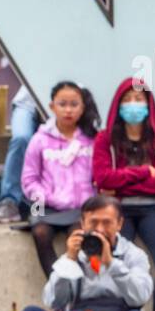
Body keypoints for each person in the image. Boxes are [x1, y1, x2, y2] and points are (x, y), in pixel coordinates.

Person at [20, 195, 152, 311]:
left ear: (119, 224)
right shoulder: (74, 254)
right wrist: (69, 261)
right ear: (82, 223)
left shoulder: (133, 255)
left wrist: (112, 264)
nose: (99, 229)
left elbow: (140, 297)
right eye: (93, 223)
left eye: (107, 223)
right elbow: (53, 301)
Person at [92, 79, 155, 311]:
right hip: (118, 209)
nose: (134, 106)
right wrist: (142, 173)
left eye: (140, 100)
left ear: (149, 104)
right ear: (118, 103)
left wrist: (123, 180)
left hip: (153, 208)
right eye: (128, 99)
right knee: (114, 262)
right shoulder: (105, 139)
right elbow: (102, 178)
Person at [21, 81, 100, 275]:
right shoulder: (39, 139)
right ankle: (57, 284)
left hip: (80, 208)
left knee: (78, 237)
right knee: (39, 231)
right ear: (51, 106)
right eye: (62, 104)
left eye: (74, 104)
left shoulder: (91, 140)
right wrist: (41, 201)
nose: (68, 110)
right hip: (45, 204)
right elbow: (29, 179)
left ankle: (81, 288)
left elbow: (98, 177)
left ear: (83, 107)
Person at [0, 86, 40, 222]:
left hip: (68, 204)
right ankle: (10, 201)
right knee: (21, 138)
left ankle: (39, 211)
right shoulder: (41, 138)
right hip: (29, 101)